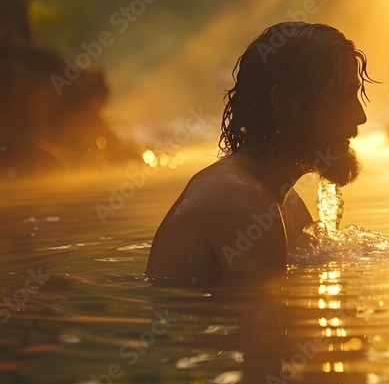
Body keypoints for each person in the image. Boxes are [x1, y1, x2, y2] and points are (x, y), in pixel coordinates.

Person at [145, 22, 374, 281]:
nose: (360, 116)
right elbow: (267, 318)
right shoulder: (239, 200)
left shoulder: (289, 205)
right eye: (344, 97)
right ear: (285, 102)